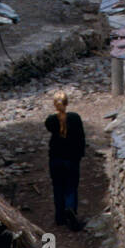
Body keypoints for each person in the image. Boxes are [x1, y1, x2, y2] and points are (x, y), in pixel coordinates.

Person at [45, 90, 86, 230]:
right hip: (72, 159)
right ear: (67, 103)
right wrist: (80, 155)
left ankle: (59, 217)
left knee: (58, 187)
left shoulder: (50, 121)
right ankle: (70, 210)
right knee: (71, 187)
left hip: (55, 160)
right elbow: (81, 139)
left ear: (54, 104)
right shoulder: (75, 118)